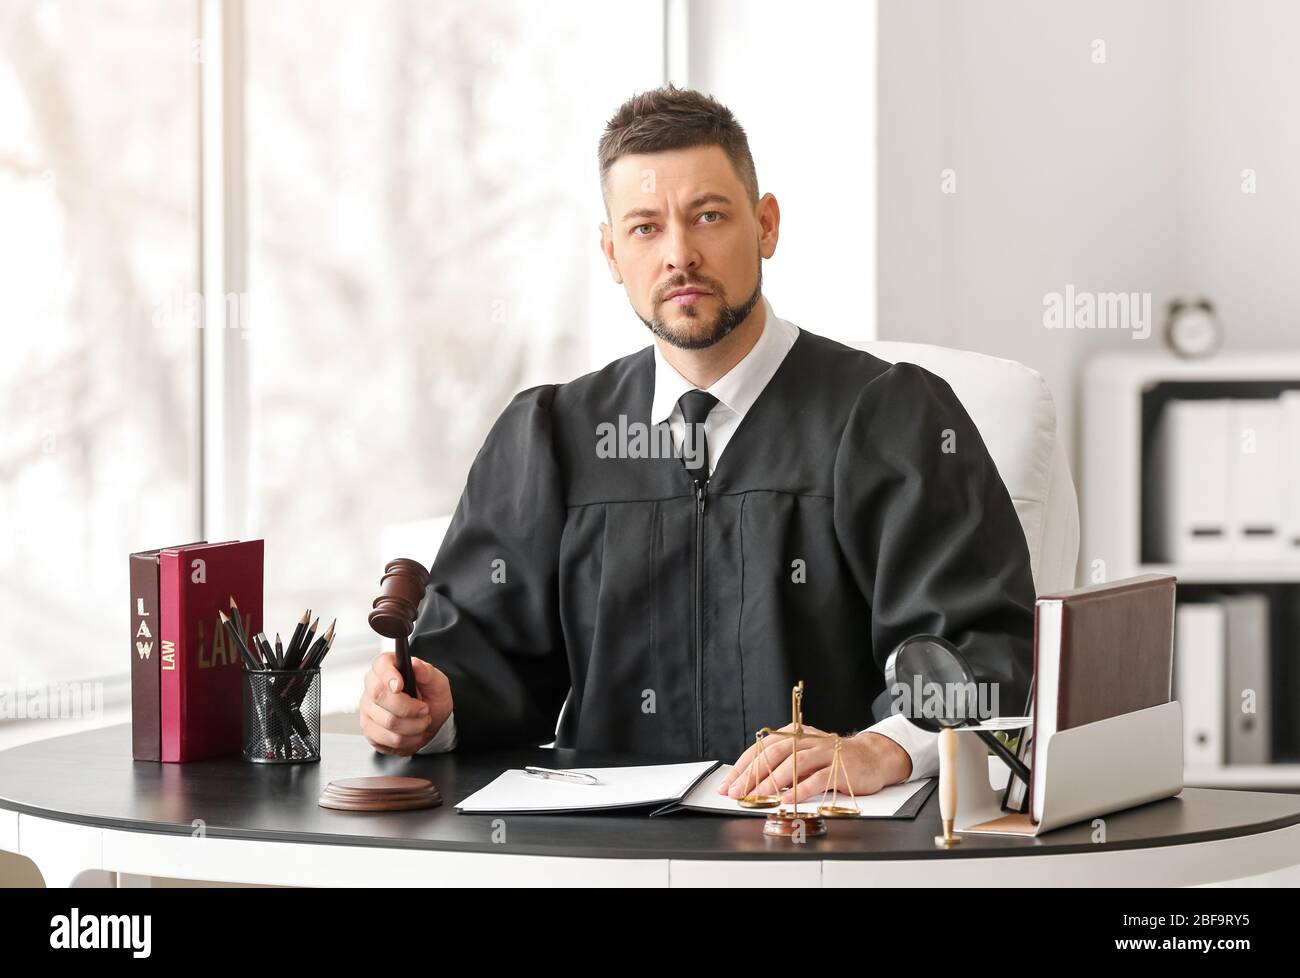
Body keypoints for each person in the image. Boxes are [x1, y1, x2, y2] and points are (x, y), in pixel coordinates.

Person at [359, 84, 1035, 804]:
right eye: (646, 228)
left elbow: (983, 649)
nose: (680, 255)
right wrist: (428, 708)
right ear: (612, 252)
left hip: (824, 847)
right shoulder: (553, 437)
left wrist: (883, 749)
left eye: (708, 216)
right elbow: (483, 659)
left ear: (766, 225)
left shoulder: (891, 418)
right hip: (604, 854)